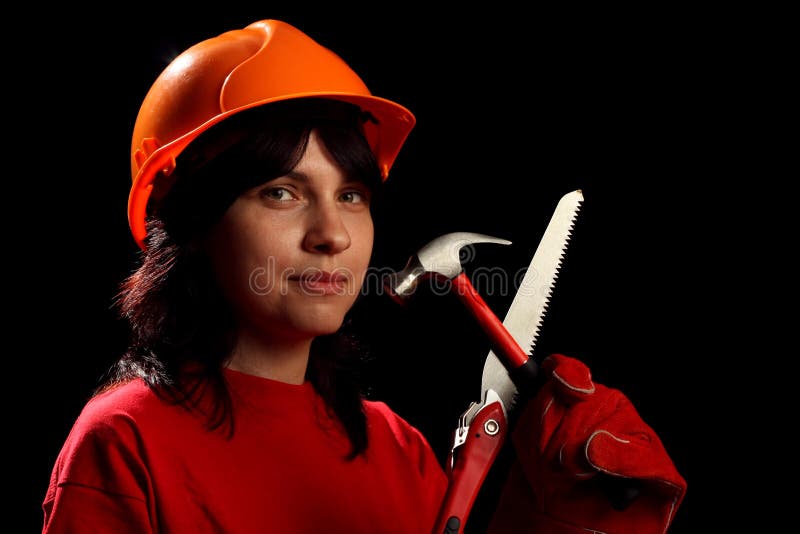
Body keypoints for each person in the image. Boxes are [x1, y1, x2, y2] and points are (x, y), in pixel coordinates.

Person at [41, 19, 686, 533]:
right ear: (191, 222)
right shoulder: (125, 441)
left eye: (351, 195)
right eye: (281, 193)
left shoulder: (397, 448)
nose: (334, 235)